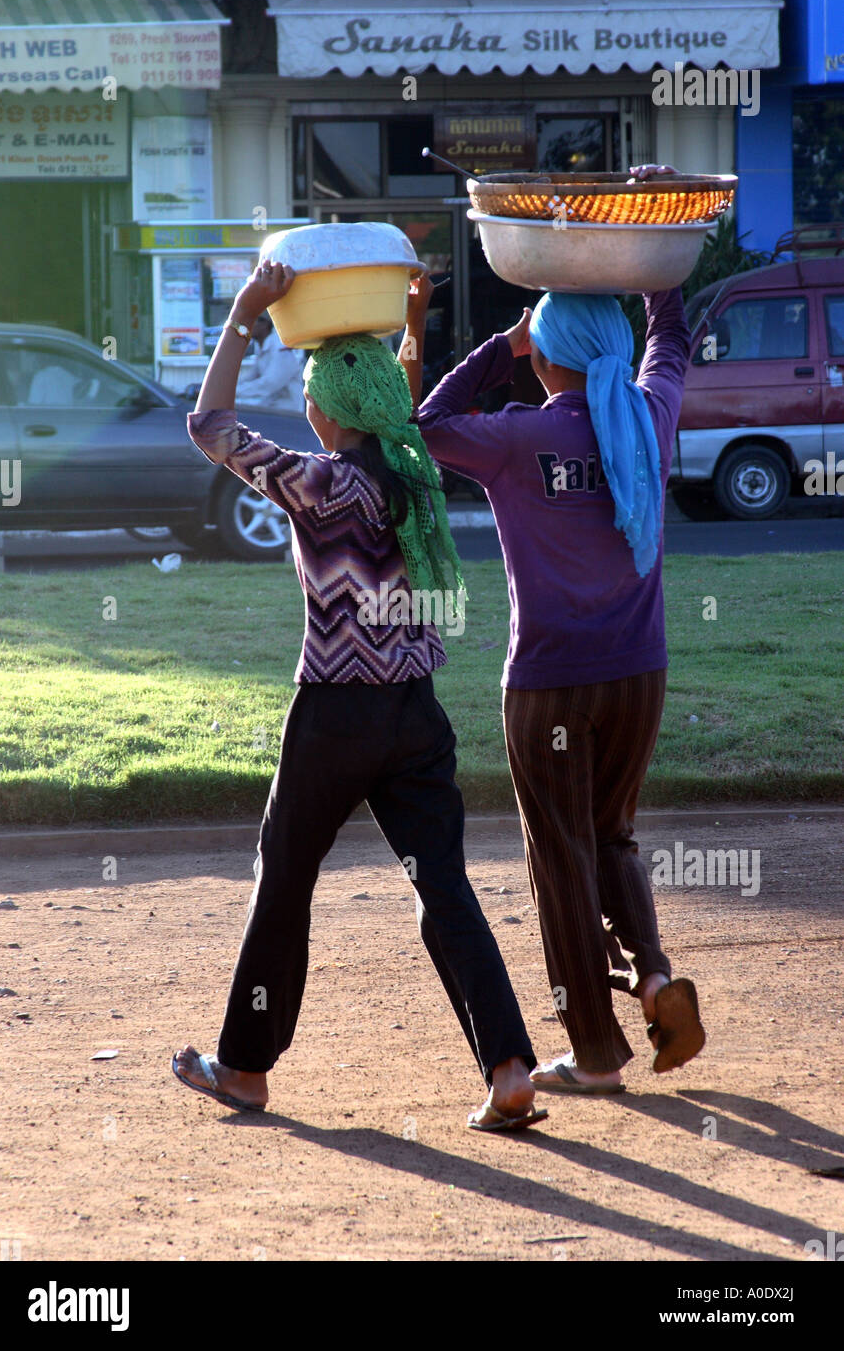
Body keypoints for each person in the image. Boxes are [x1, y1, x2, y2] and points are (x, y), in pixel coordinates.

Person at [172, 259, 546, 1133]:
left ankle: (247, 1070)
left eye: (313, 397)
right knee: (444, 890)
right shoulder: (411, 474)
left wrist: (244, 312)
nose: (307, 407)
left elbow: (209, 423)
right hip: (417, 714)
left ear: (330, 411)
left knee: (285, 883)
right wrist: (412, 320)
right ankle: (510, 1071)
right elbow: (401, 408)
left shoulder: (317, 484)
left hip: (334, 715)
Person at [399, 248, 705, 1097]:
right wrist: (658, 260)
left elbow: (420, 427)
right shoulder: (649, 415)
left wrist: (501, 348)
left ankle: (598, 1054)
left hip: (547, 683)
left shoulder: (516, 438)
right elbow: (671, 336)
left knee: (560, 857)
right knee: (612, 834)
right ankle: (649, 976)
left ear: (544, 350)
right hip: (639, 672)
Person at [234, 313, 306, 412]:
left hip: (288, 414)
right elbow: (252, 377)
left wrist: (234, 391)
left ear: (265, 324)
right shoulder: (261, 346)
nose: (247, 327)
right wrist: (229, 387)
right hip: (271, 408)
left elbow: (268, 384)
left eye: (251, 322)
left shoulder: (280, 348)